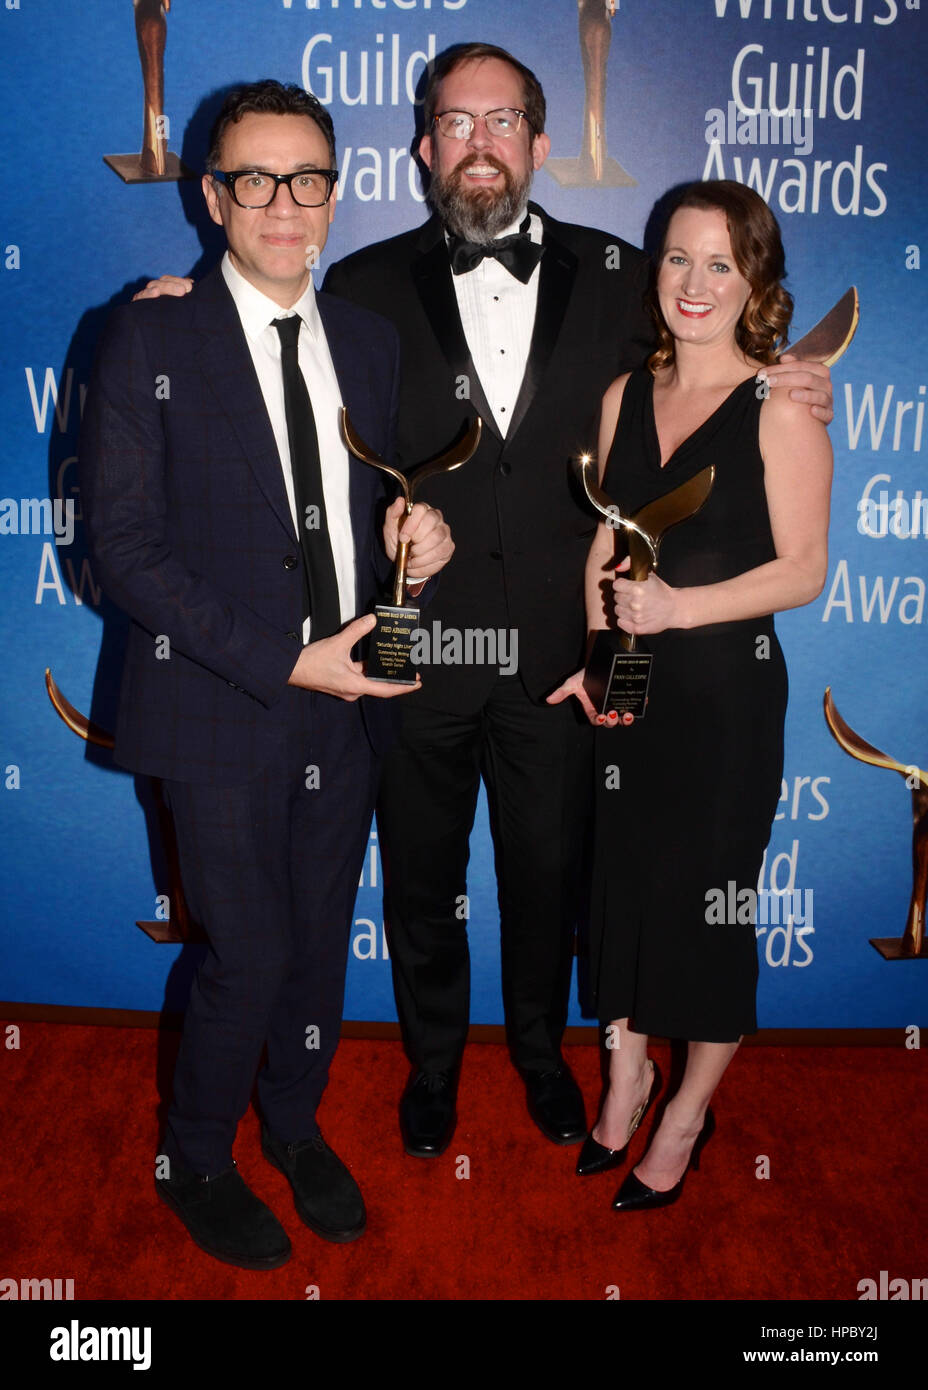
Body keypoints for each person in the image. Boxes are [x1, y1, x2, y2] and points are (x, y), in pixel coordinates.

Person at [133, 43, 835, 1160]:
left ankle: (541, 1057)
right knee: (419, 884)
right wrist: (171, 299)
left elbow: (704, 365)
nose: (479, 144)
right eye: (456, 124)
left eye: (502, 120)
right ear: (423, 147)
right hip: (417, 657)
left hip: (564, 658)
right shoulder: (354, 288)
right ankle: (431, 1067)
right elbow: (270, 367)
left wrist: (792, 372)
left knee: (548, 883)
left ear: (540, 143)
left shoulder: (624, 276)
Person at [81, 79, 453, 1270]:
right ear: (212, 195)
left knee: (310, 946)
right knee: (241, 954)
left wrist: (419, 541)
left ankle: (290, 1128)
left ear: (335, 195)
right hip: (215, 702)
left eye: (308, 180)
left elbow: (376, 506)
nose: (283, 204)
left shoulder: (369, 339)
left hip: (343, 714)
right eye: (255, 178)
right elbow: (122, 551)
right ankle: (192, 1155)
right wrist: (288, 660)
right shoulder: (147, 333)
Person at [548, 179, 832, 1209]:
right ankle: (624, 1070)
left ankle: (684, 1114)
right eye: (676, 257)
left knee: (708, 915)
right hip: (627, 696)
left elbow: (803, 570)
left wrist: (679, 610)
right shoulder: (628, 395)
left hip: (722, 701)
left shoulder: (783, 404)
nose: (694, 282)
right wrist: (594, 654)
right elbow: (602, 543)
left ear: (756, 279)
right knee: (618, 891)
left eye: (721, 261)